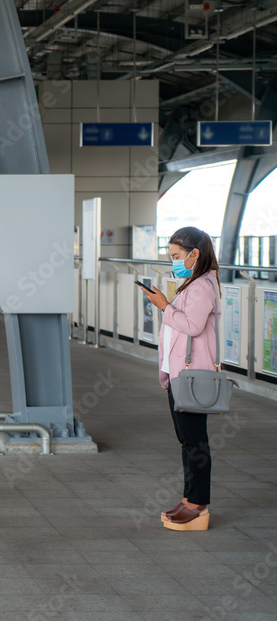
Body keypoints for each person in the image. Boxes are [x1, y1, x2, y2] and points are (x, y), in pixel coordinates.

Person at [139, 226, 220, 532]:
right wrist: (165, 370)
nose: (173, 261)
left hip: (192, 376)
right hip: (181, 374)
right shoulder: (193, 282)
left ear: (194, 254)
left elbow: (192, 326)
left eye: (176, 256)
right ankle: (189, 500)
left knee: (195, 441)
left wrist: (164, 306)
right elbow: (173, 334)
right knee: (188, 440)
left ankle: (198, 505)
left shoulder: (200, 286)